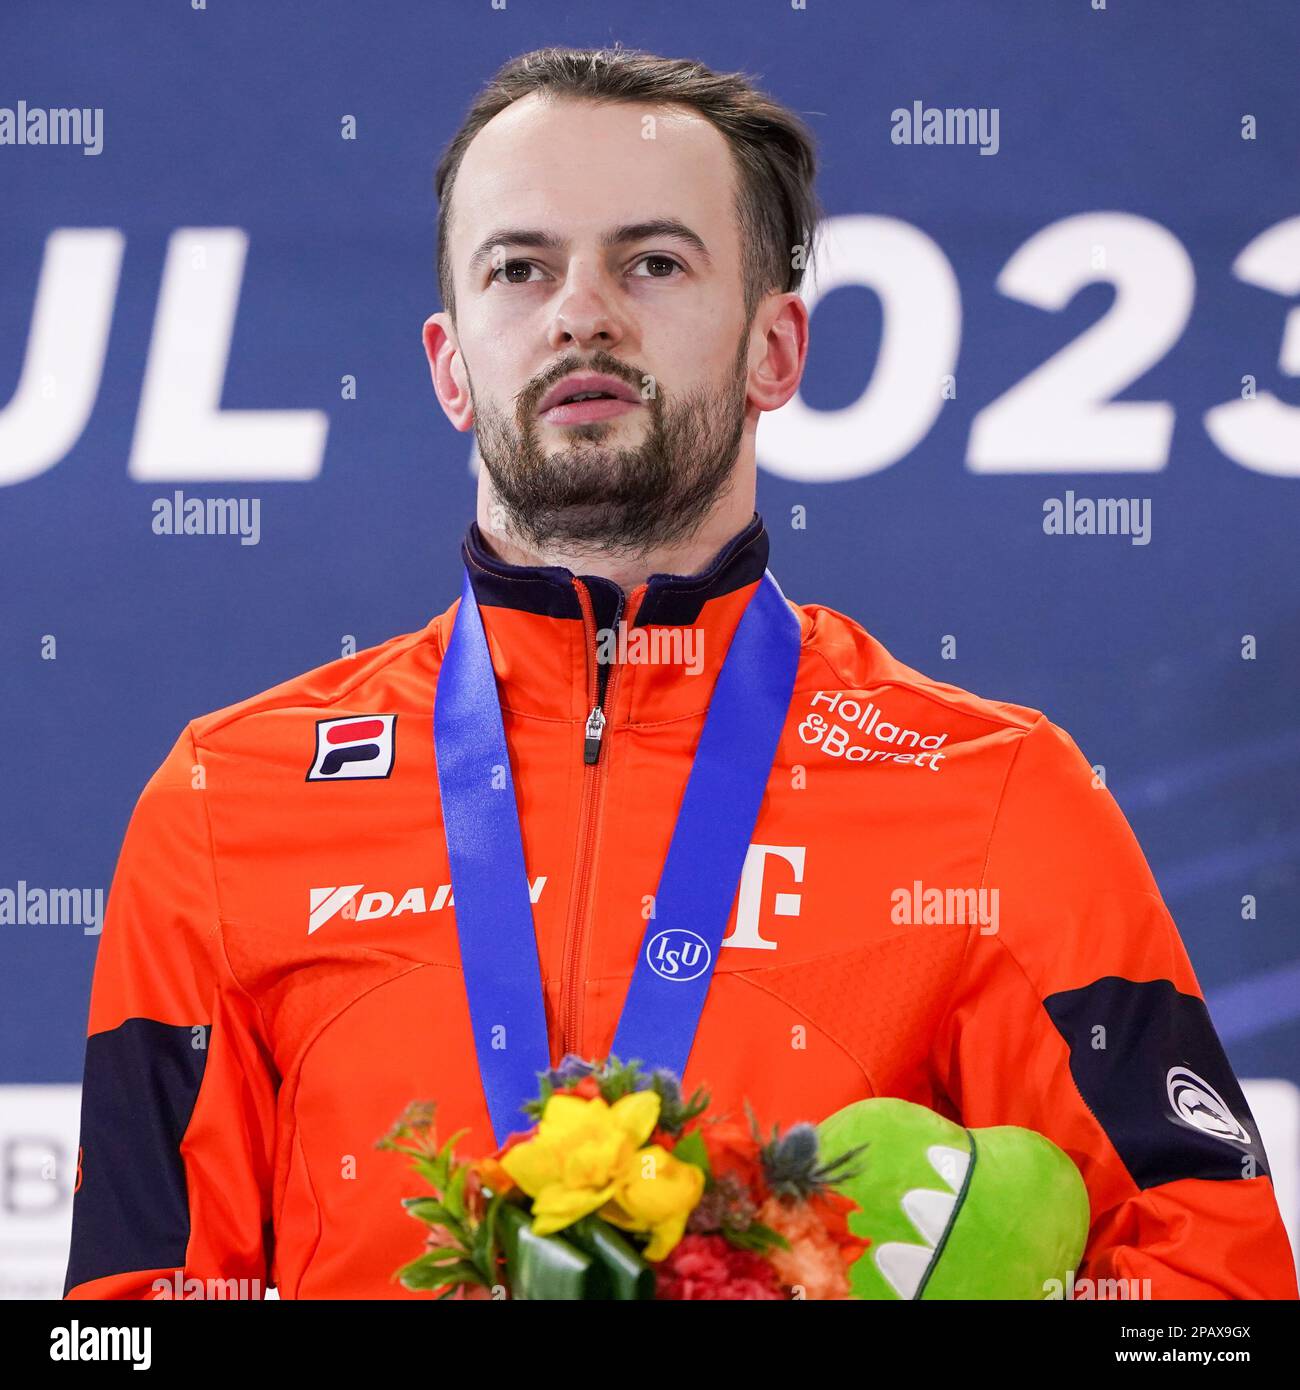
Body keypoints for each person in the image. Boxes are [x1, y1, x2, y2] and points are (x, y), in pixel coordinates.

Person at [64, 45, 1297, 1301]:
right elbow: (123, 1323)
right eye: (519, 268)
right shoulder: (226, 804)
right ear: (448, 364)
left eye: (652, 262)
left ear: (777, 349)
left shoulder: (997, 796)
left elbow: (1220, 1297)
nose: (580, 311)